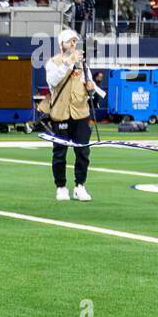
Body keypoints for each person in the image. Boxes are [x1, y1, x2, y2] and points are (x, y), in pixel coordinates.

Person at [45, 29, 95, 202]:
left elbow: (89, 82)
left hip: (80, 113)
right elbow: (53, 81)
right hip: (61, 113)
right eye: (69, 41)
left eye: (75, 41)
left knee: (82, 151)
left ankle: (80, 186)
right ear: (61, 44)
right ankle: (61, 187)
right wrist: (68, 63)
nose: (73, 44)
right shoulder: (53, 62)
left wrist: (91, 86)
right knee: (60, 152)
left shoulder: (82, 64)